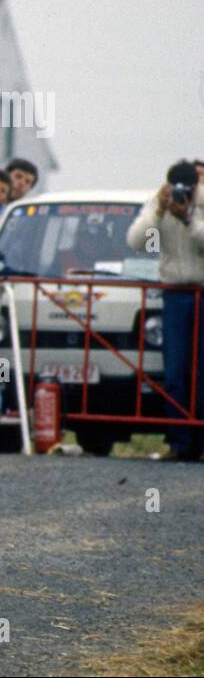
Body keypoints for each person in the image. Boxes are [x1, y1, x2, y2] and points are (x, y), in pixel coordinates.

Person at [127, 160, 204, 461]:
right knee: (175, 371)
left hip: (202, 291)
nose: (183, 193)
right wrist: (159, 211)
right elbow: (137, 242)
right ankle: (179, 441)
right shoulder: (159, 202)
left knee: (201, 372)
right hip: (174, 294)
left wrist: (188, 219)